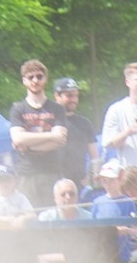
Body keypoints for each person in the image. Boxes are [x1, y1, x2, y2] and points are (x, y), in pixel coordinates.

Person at [7, 59, 66, 207]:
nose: (35, 80)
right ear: (24, 81)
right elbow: (18, 138)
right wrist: (50, 135)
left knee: (52, 216)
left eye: (39, 76)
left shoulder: (57, 108)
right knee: (28, 216)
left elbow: (60, 140)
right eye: (30, 77)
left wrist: (29, 145)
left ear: (45, 79)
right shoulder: (18, 108)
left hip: (51, 171)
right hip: (26, 172)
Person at [50, 78, 94, 186]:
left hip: (81, 184)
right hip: (54, 184)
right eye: (69, 96)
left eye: (76, 95)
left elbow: (95, 157)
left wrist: (90, 178)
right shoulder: (48, 122)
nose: (73, 99)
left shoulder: (85, 123)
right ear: (56, 96)